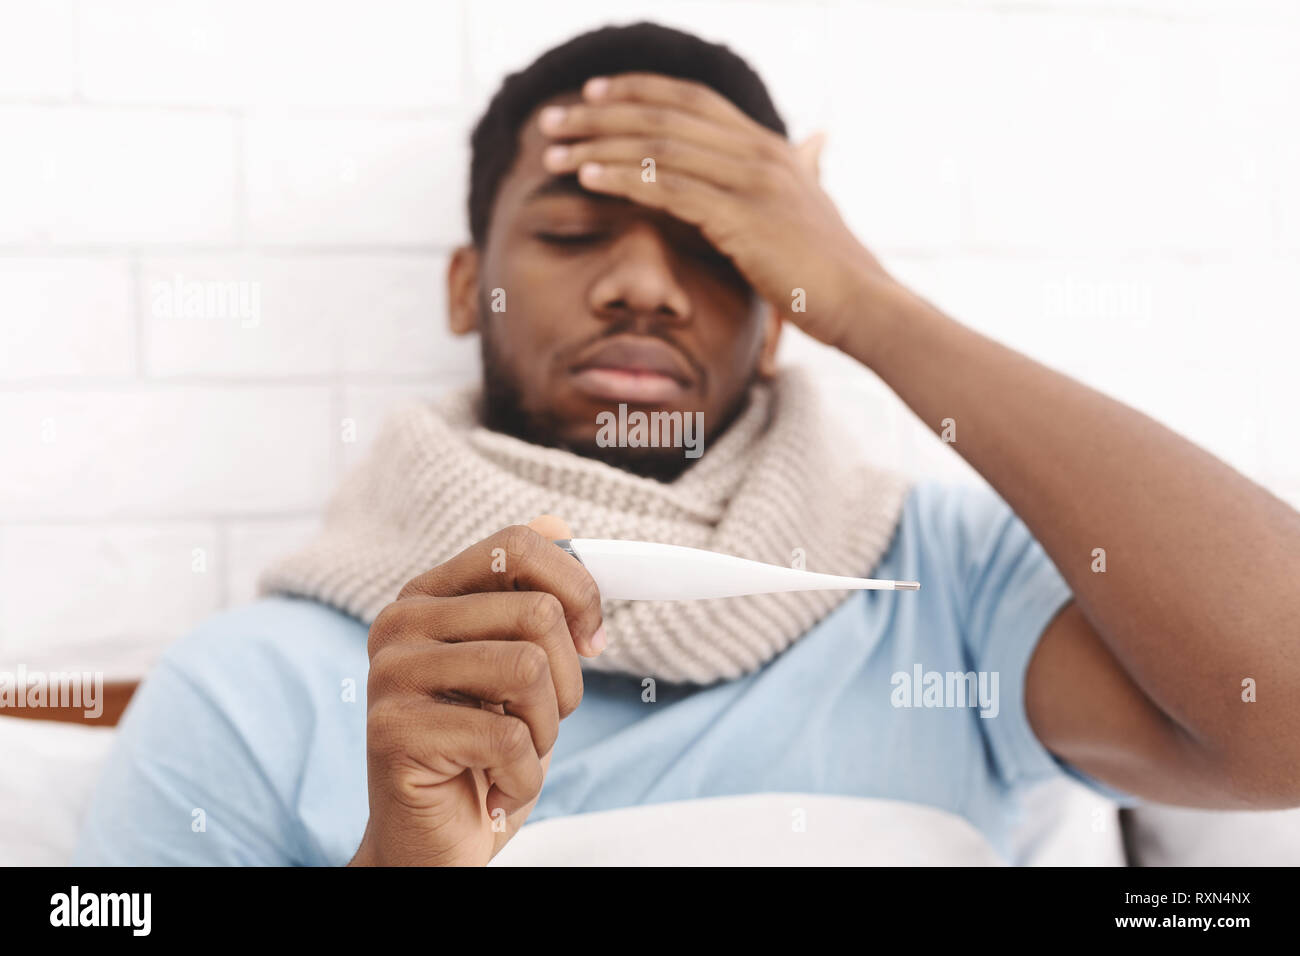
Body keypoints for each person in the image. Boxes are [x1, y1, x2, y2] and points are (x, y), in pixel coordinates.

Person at [75, 22, 1300, 867]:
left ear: (781, 314)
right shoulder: (251, 687)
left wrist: (874, 307)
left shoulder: (948, 588)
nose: (645, 284)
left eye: (718, 247)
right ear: (467, 289)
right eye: (571, 233)